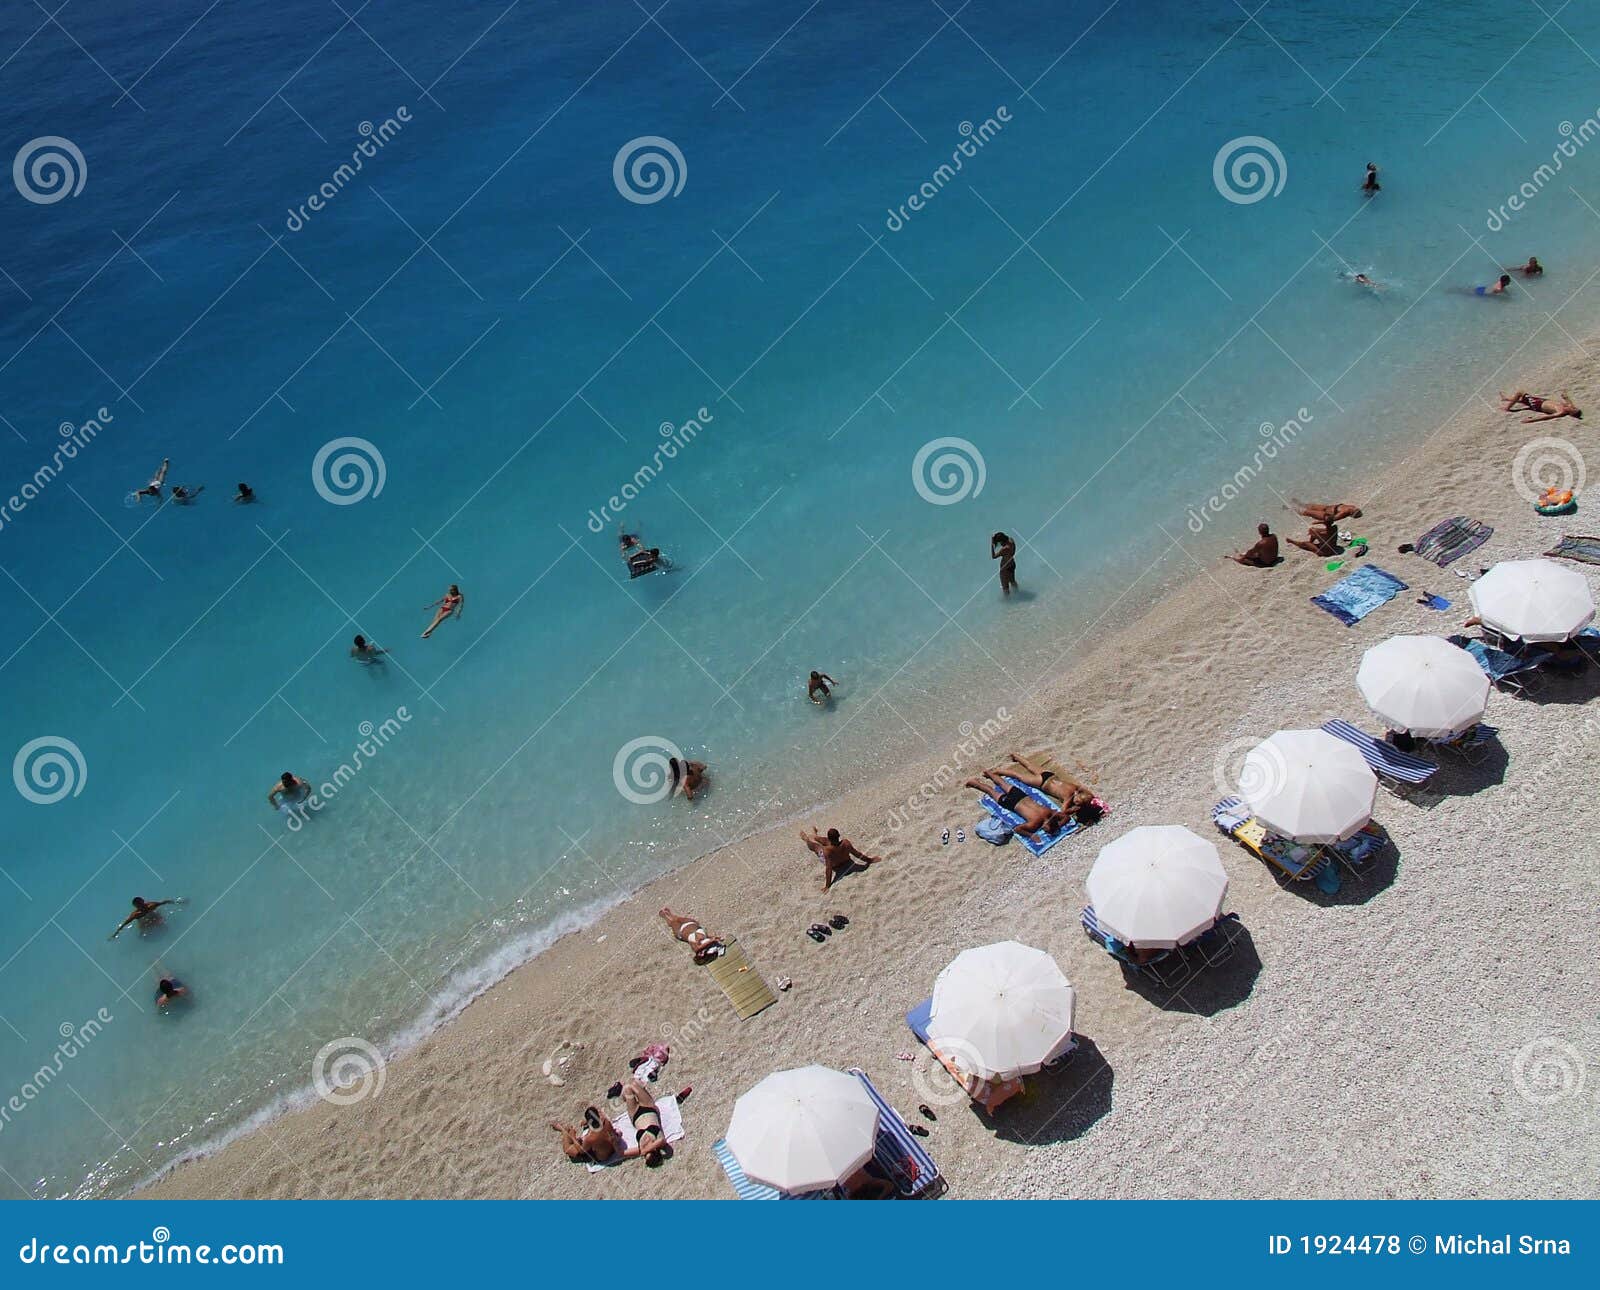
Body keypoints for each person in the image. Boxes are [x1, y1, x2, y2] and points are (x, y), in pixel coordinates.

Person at [996, 752, 1097, 813]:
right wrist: (1073, 809)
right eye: (1077, 802)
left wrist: (1091, 795)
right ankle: (998, 771)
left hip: (1050, 775)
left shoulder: (1076, 788)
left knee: (1030, 765)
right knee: (1019, 776)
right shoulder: (1067, 798)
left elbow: (1084, 789)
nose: (1075, 803)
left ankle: (1016, 756)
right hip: (1042, 783)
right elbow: (1063, 811)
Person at [800, 826, 881, 892]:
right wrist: (870, 860)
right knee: (824, 841)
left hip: (836, 865)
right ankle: (815, 835)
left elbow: (829, 868)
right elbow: (857, 854)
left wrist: (827, 886)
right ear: (839, 835)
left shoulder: (827, 851)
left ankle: (806, 839)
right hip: (844, 860)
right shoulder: (846, 843)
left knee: (815, 846)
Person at [551, 1107, 626, 1165]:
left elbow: (581, 1151)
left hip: (602, 1157)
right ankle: (567, 1131)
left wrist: (573, 1137)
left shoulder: (590, 1138)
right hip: (612, 1149)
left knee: (568, 1150)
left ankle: (563, 1130)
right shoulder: (606, 1121)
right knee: (581, 1140)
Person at [659, 907, 723, 963]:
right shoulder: (706, 945)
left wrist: (711, 940)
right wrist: (714, 937)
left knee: (672, 922)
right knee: (677, 918)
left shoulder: (697, 949)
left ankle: (664, 916)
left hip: (680, 931)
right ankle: (669, 914)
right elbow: (706, 937)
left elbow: (698, 947)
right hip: (692, 924)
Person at [109, 896, 181, 940]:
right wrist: (115, 934)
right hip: (143, 921)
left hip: (153, 916)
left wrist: (178, 902)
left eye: (141, 904)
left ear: (143, 901)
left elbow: (164, 902)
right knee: (143, 930)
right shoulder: (136, 915)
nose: (141, 906)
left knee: (159, 920)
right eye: (138, 906)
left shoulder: (151, 905)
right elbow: (124, 924)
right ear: (136, 907)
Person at [1499, 389, 1581, 422]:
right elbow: (1567, 398)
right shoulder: (1569, 406)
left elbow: (1546, 417)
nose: (1572, 407)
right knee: (1524, 400)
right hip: (1542, 400)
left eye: (1573, 410)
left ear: (1571, 414)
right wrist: (1565, 395)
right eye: (1574, 408)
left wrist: (1531, 420)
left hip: (1537, 405)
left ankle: (1507, 408)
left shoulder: (1561, 412)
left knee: (1520, 392)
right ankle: (1506, 399)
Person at [1292, 500, 1363, 525]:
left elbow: (1332, 519)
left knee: (1308, 510)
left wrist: (1318, 522)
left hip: (1326, 512)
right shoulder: (1348, 510)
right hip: (1326, 509)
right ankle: (1297, 505)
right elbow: (1334, 519)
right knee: (1309, 508)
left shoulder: (1350, 508)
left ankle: (1291, 508)